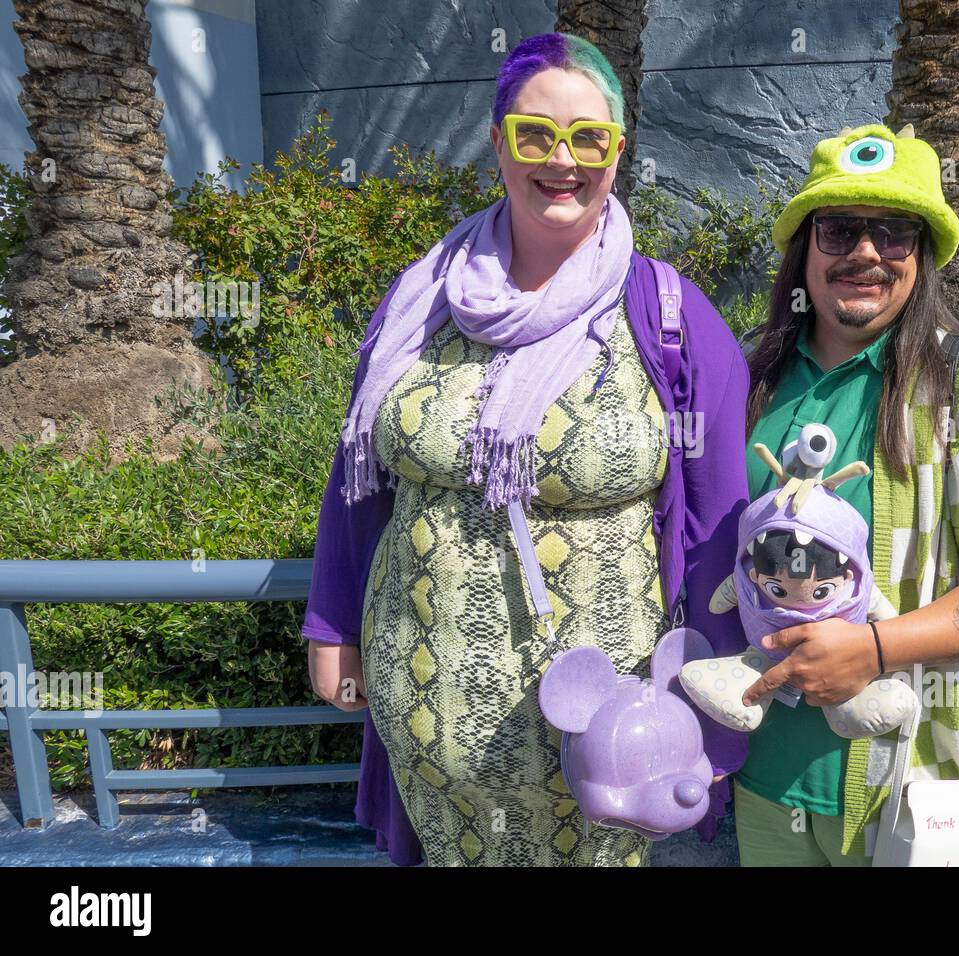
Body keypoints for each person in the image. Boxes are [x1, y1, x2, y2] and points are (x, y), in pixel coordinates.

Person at [300, 32, 749, 866]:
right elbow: (358, 472)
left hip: (608, 721)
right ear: (498, 140)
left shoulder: (670, 316)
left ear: (619, 151)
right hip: (424, 690)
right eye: (536, 135)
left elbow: (717, 520)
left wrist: (715, 705)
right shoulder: (419, 298)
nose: (563, 162)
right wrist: (334, 624)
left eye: (590, 139)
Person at [733, 122, 959, 866]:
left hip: (911, 786)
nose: (865, 253)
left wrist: (872, 648)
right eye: (839, 230)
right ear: (804, 249)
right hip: (761, 782)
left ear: (921, 256)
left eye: (894, 233)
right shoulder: (749, 379)